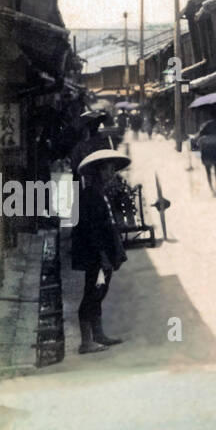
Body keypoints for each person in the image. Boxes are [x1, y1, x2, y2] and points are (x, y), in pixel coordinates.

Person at [72, 150, 129, 353]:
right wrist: (103, 256)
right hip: (96, 254)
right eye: (108, 169)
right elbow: (92, 230)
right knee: (92, 293)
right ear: (98, 172)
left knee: (99, 292)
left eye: (112, 169)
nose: (111, 173)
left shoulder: (101, 194)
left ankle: (98, 335)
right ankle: (86, 341)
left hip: (103, 253)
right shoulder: (90, 196)